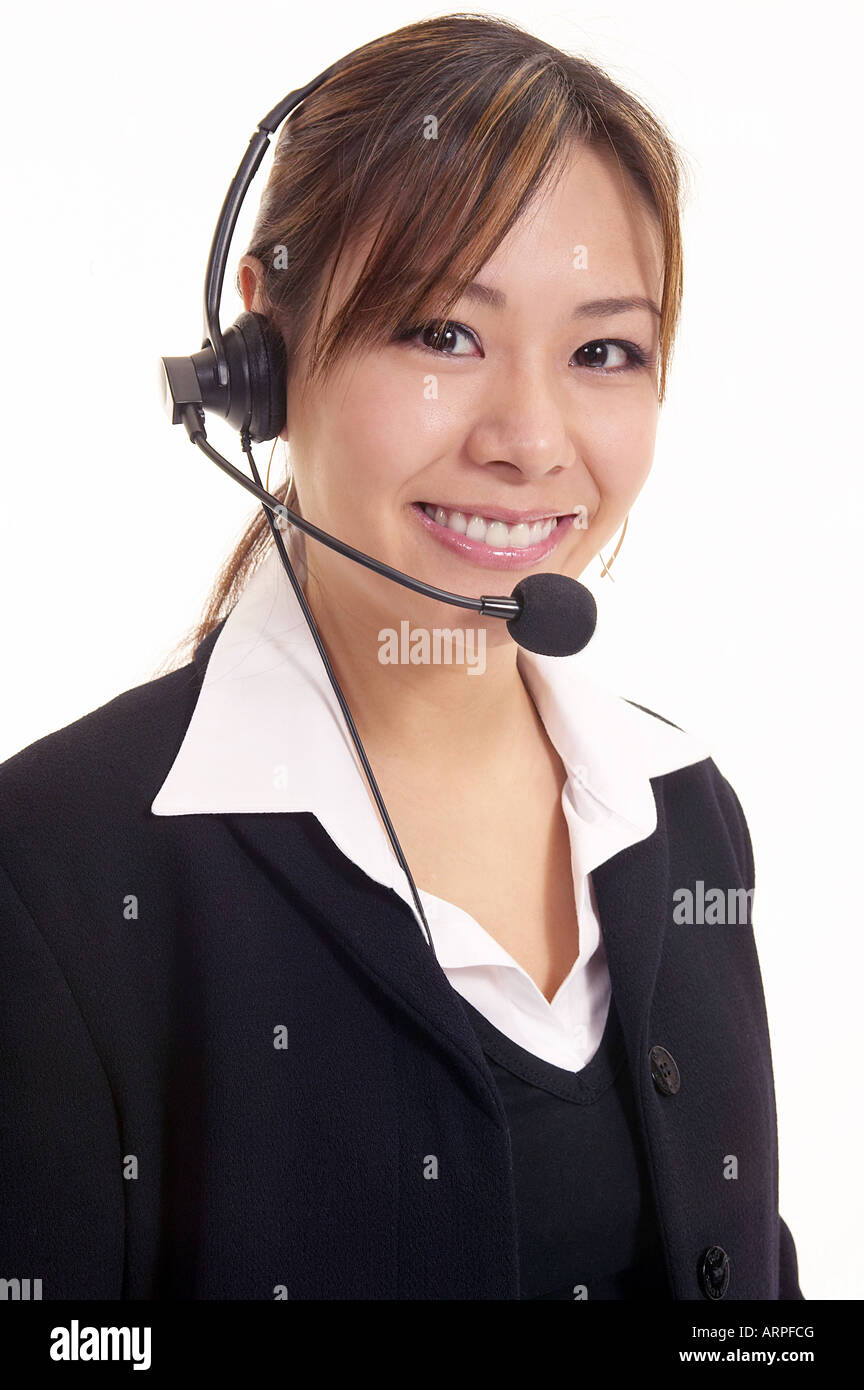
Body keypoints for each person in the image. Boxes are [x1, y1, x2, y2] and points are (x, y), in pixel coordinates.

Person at [0, 12, 803, 1300]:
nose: (531, 440)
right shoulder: (52, 873)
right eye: (442, 333)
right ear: (260, 353)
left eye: (604, 350)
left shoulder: (682, 816)